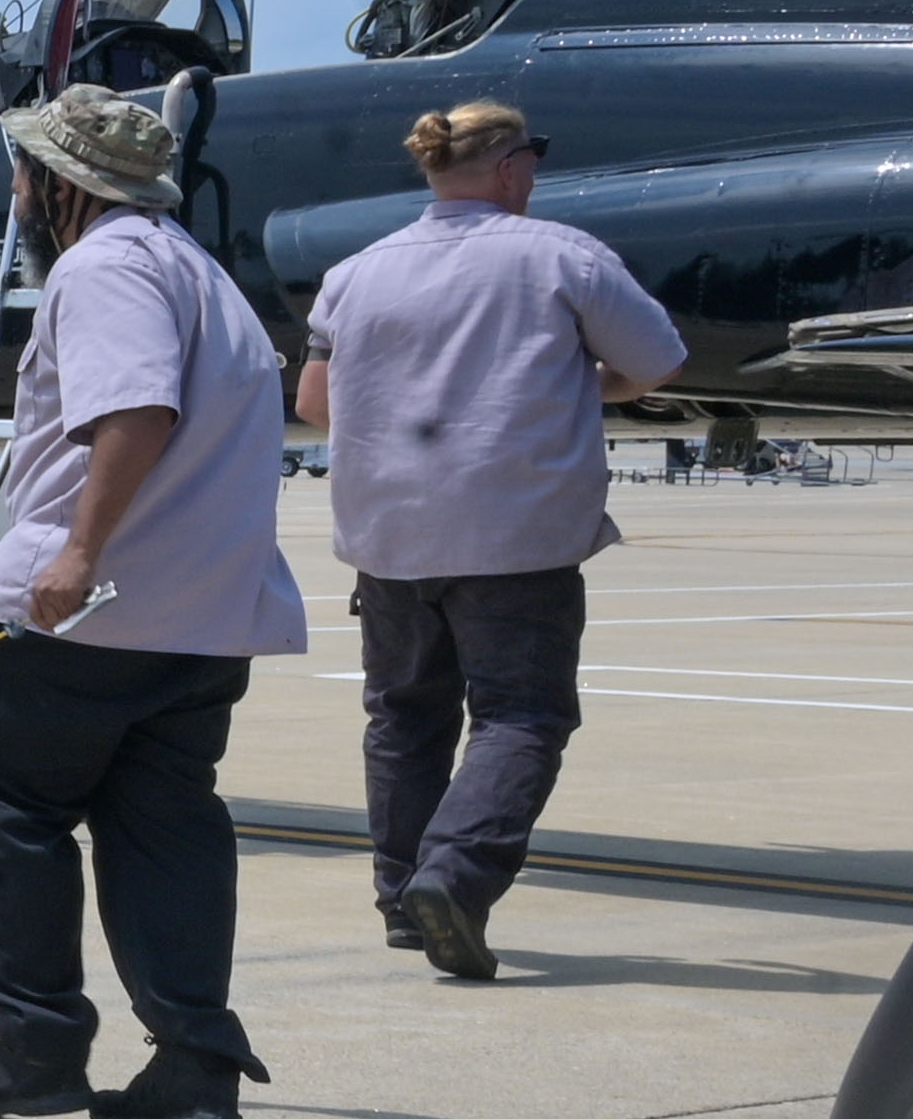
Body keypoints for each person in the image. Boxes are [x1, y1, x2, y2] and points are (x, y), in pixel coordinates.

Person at [0, 88, 305, 1119]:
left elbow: (135, 408)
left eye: (22, 173)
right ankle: (192, 1067)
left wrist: (78, 551)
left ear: (57, 185)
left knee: (16, 815)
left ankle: (33, 1044)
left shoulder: (103, 267)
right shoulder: (200, 273)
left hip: (89, 608)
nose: (14, 193)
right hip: (201, 616)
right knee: (164, 831)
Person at [292, 100, 682, 984]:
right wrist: (582, 381)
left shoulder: (354, 272)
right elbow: (657, 361)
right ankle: (455, 878)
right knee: (520, 715)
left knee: (402, 717)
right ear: (508, 167)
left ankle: (401, 898)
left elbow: (315, 404)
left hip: (388, 536)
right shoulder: (557, 255)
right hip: (515, 535)